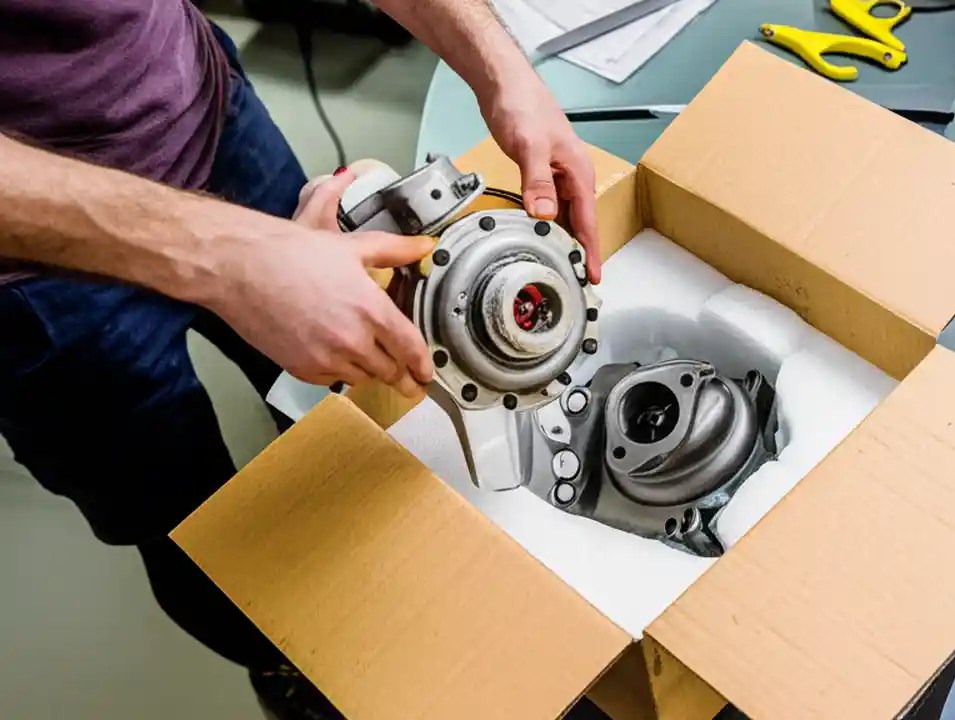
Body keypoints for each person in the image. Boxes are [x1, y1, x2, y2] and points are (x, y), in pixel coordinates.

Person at [0, 2, 602, 717]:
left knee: (336, 411)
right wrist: (228, 255)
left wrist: (503, 70)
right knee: (188, 524)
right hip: (28, 275)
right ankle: (289, 666)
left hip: (201, 108)